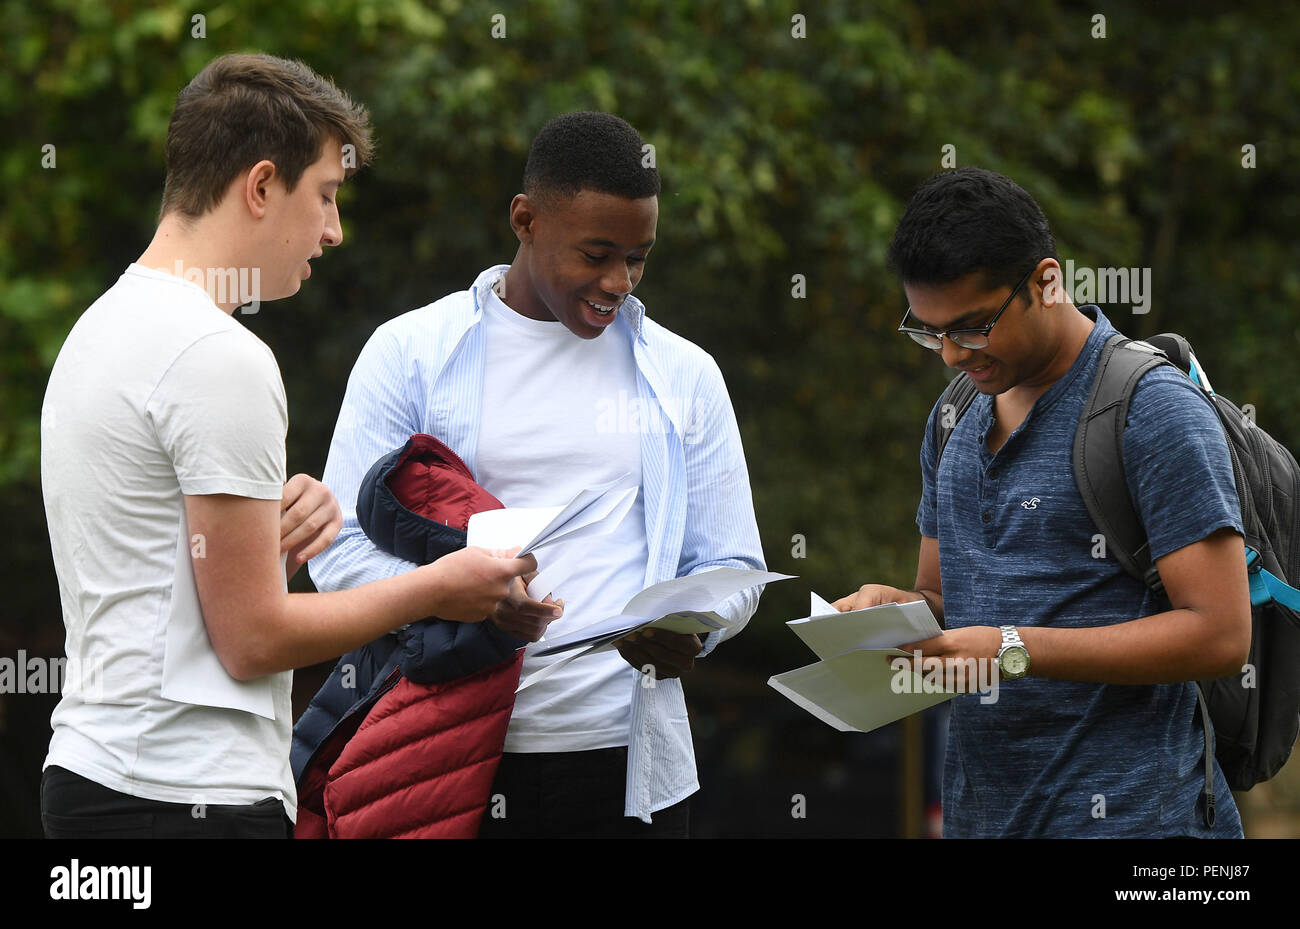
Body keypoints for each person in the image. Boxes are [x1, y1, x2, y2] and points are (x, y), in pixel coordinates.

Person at [38, 53, 533, 839]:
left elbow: (156, 591)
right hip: (190, 796)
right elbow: (253, 640)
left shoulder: (98, 329)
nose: (334, 231)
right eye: (327, 196)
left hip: (93, 778)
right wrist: (438, 586)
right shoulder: (217, 354)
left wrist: (267, 555)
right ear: (262, 186)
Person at [309, 110, 765, 837]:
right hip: (450, 755)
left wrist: (695, 631)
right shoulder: (411, 354)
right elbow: (337, 548)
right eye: (596, 253)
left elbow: (733, 562)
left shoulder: (687, 375)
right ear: (525, 219)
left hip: (629, 767)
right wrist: (455, 598)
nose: (618, 280)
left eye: (639, 257)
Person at [835, 167, 1250, 838]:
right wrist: (897, 611)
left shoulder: (1152, 410)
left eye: (972, 327)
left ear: (1045, 281)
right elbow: (946, 604)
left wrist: (1011, 648)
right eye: (929, 330)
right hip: (984, 818)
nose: (948, 354)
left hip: (1136, 823)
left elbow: (1221, 634)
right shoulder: (953, 418)